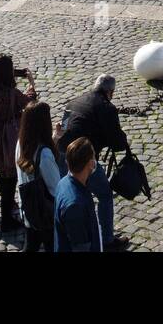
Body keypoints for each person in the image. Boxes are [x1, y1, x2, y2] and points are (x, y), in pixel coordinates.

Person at [58, 74, 128, 250]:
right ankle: (107, 239)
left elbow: (64, 128)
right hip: (83, 159)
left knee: (66, 195)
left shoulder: (73, 102)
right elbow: (118, 143)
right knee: (104, 195)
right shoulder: (107, 109)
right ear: (110, 92)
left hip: (62, 153)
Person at [0, 55, 34, 232]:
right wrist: (31, 86)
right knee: (10, 177)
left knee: (3, 175)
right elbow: (30, 103)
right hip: (10, 135)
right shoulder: (12, 94)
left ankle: (8, 209)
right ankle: (7, 220)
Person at [16, 101, 64, 252]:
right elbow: (56, 188)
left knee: (31, 245)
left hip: (28, 208)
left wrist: (54, 139)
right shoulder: (44, 154)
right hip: (45, 213)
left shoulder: (20, 144)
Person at [53, 137, 102, 252]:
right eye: (94, 156)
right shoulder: (74, 206)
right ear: (90, 163)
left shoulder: (63, 182)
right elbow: (81, 248)